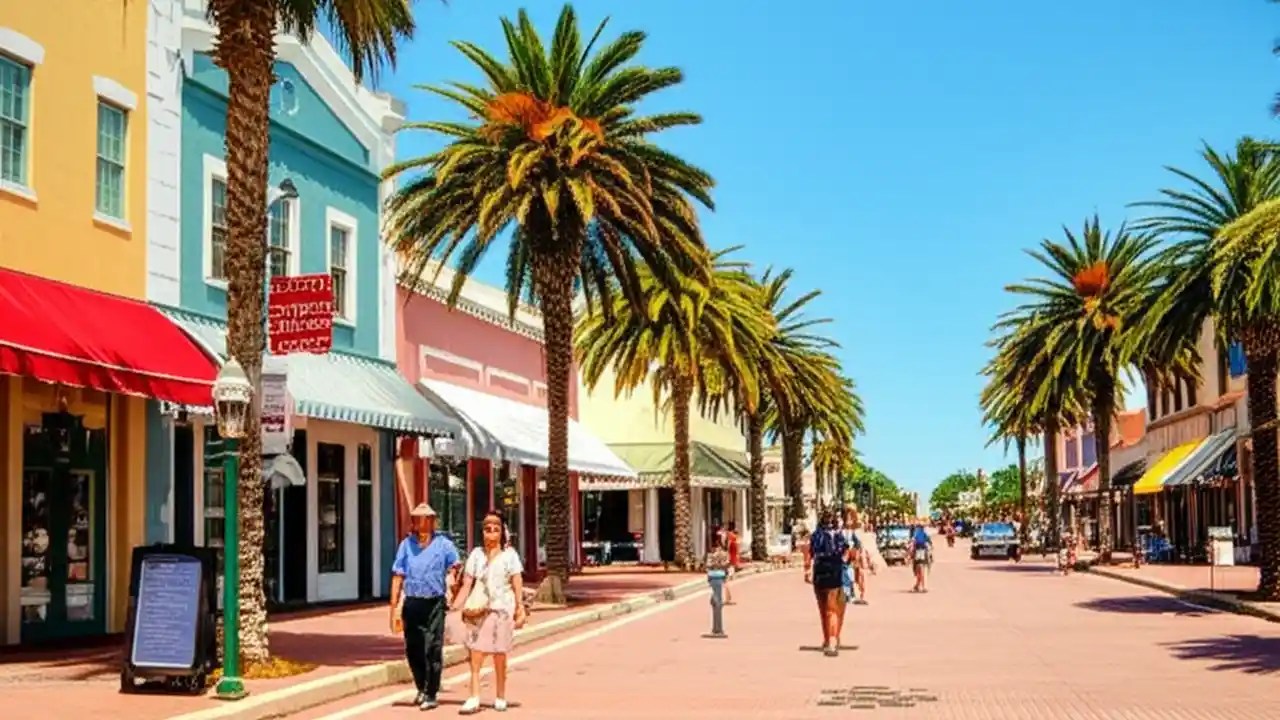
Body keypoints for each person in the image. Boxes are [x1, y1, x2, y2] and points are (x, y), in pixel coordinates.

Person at [451, 511, 527, 714]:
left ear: (502, 532)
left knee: (499, 654)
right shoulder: (476, 555)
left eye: (495, 529)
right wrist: (455, 606)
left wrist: (520, 606)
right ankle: (474, 696)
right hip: (479, 610)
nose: (491, 533)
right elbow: (467, 584)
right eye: (487, 529)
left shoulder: (510, 556)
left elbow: (517, 581)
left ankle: (500, 695)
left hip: (502, 610)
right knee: (475, 654)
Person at [389, 503, 460, 710]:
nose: (422, 523)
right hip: (412, 602)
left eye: (426, 519)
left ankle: (431, 692)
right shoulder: (406, 545)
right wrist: (393, 607)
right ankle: (421, 686)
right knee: (413, 648)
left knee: (433, 647)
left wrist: (452, 580)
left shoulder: (444, 544)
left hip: (435, 602)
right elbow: (398, 574)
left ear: (432, 522)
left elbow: (455, 566)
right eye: (418, 519)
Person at [803, 509, 850, 657]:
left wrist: (807, 570)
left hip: (820, 571)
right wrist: (844, 563)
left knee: (824, 609)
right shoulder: (838, 535)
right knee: (832, 609)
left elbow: (809, 553)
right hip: (834, 570)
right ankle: (832, 640)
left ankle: (828, 639)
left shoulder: (816, 535)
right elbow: (846, 552)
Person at [907, 522, 932, 593]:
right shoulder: (922, 534)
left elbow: (911, 545)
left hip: (920, 554)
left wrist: (909, 555)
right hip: (921, 554)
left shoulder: (917, 534)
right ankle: (918, 586)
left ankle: (922, 586)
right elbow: (930, 545)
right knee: (920, 570)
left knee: (920, 570)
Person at [722, 521, 740, 605]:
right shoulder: (732, 539)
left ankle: (728, 598)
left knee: (727, 580)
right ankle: (727, 599)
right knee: (727, 580)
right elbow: (729, 550)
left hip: (730, 561)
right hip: (730, 562)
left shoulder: (730, 538)